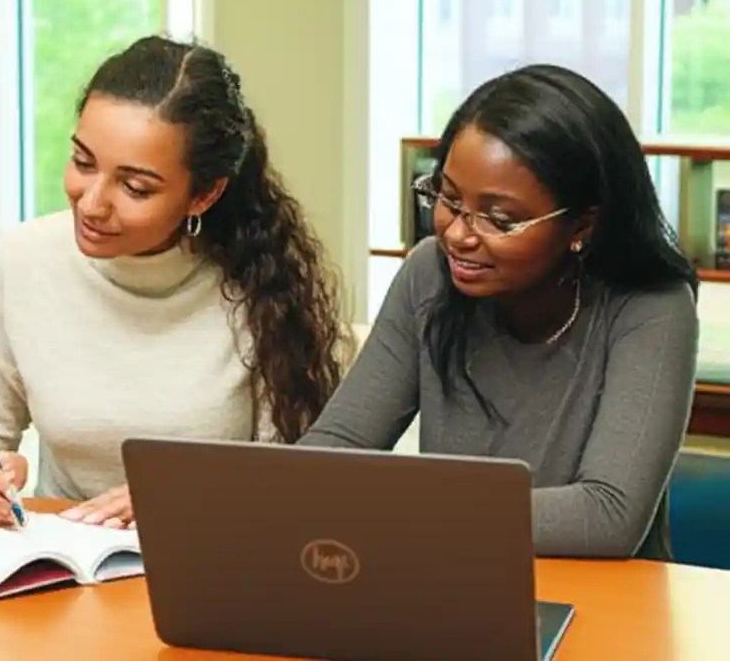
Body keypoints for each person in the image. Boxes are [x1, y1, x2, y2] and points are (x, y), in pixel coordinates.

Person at [0, 35, 351, 529]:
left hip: (209, 564)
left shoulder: (262, 285)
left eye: (135, 187)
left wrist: (184, 497)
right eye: (83, 162)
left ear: (203, 195)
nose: (92, 203)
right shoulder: (20, 262)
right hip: (61, 565)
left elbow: (298, 486)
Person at [299, 64, 699, 560]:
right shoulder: (429, 273)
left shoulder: (650, 306)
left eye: (500, 219)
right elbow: (337, 447)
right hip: (455, 586)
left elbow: (607, 514)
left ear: (583, 226)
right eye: (447, 198)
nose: (458, 234)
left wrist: (403, 510)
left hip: (603, 604)